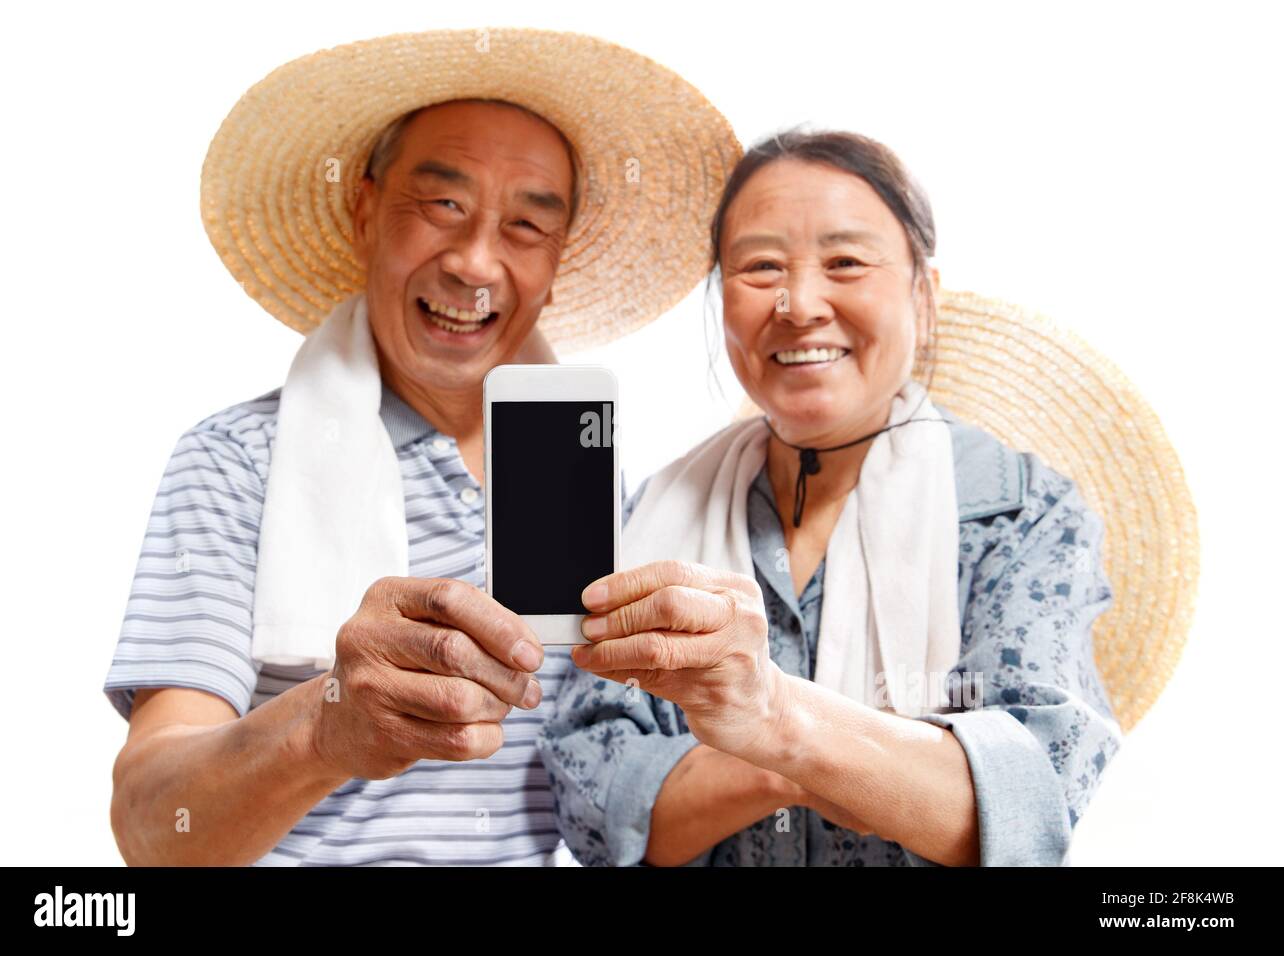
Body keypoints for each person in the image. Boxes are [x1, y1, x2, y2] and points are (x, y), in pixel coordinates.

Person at [102, 29, 739, 866]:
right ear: (363, 209)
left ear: (556, 261)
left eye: (525, 224)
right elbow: (153, 829)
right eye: (442, 205)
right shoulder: (236, 463)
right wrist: (327, 724)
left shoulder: (592, 481)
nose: (475, 262)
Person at [540, 129, 1123, 866]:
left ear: (923, 294)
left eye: (845, 262)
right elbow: (596, 797)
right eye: (760, 267)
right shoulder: (655, 511)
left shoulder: (1021, 515)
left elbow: (1023, 807)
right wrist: (823, 758)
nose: (800, 303)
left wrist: (775, 721)